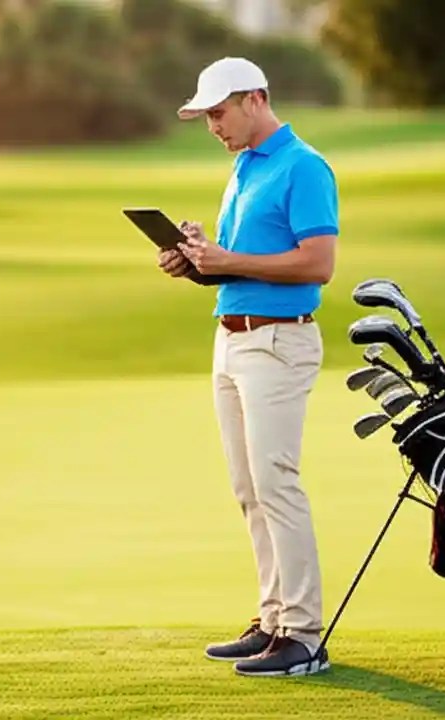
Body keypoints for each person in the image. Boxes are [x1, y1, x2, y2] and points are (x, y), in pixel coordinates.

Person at [158, 56, 338, 678]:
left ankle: (305, 635)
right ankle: (272, 622)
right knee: (248, 489)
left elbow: (317, 264)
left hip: (278, 345)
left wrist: (227, 256)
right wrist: (199, 263)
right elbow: (243, 265)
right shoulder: (242, 168)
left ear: (255, 99)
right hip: (231, 341)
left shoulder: (304, 167)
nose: (212, 126)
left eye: (217, 112)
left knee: (276, 482)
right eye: (206, 115)